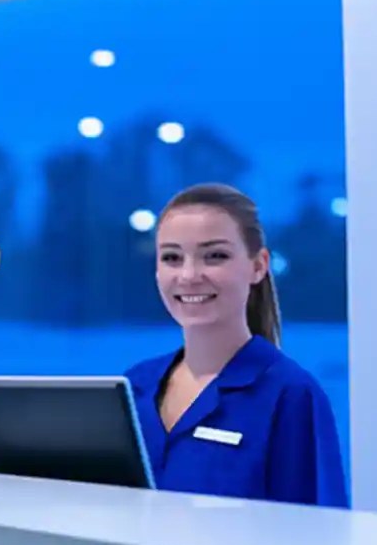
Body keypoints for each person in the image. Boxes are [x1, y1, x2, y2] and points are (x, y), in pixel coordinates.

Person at [124, 183, 349, 507]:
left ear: (258, 266)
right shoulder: (135, 387)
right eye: (172, 257)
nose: (189, 275)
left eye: (215, 256)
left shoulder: (290, 395)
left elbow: (319, 530)